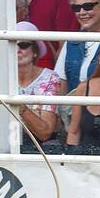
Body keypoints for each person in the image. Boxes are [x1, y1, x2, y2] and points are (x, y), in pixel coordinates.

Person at [14, 21, 62, 149]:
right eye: (13, 44)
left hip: (39, 149)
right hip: (7, 143)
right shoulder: (0, 77)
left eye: (23, 45)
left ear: (35, 51)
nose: (17, 49)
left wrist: (20, 107)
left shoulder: (50, 78)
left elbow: (45, 133)